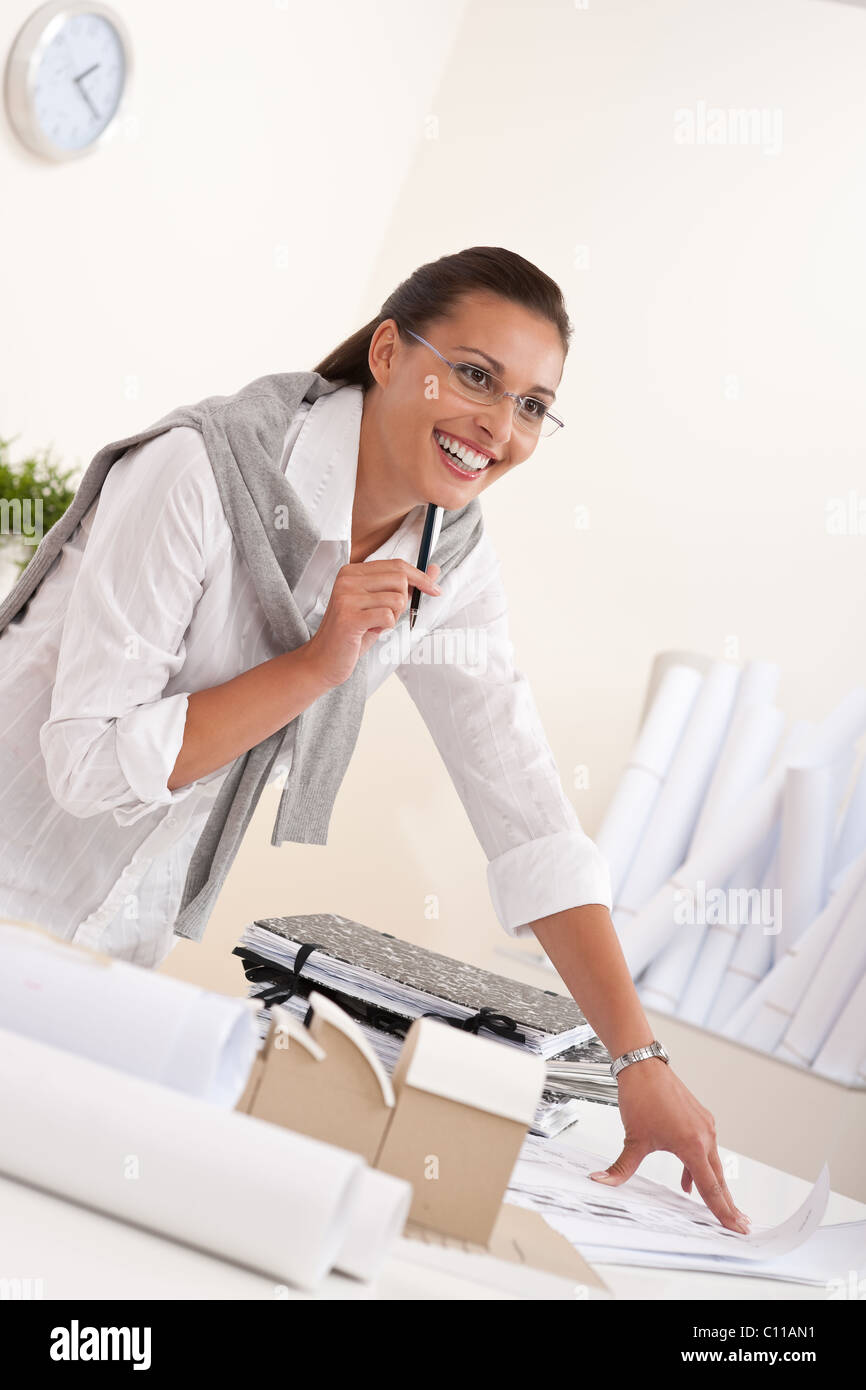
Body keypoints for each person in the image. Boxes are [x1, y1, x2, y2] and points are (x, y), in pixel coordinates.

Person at [0, 245, 749, 1233]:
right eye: (475, 376)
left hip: (109, 965)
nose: (498, 426)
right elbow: (90, 765)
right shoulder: (201, 471)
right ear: (390, 353)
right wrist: (314, 666)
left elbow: (525, 810)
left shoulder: (449, 556)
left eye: (531, 404)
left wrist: (636, 1061)